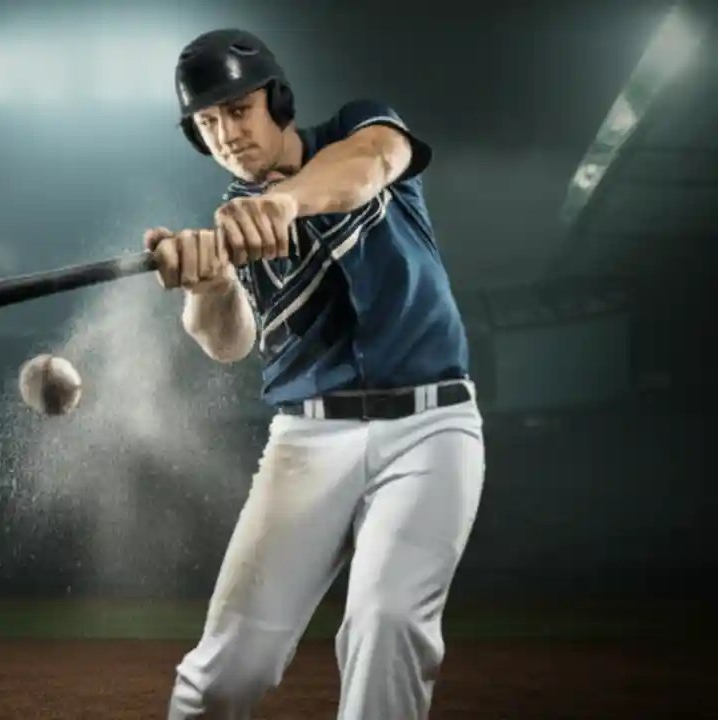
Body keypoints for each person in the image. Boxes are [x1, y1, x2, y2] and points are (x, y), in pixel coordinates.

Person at [144, 28, 486, 719]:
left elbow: (369, 165)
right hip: (308, 440)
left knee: (386, 625)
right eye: (207, 122)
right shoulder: (231, 229)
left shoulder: (357, 128)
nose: (226, 133)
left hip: (431, 427)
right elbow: (227, 343)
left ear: (278, 100)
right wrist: (208, 286)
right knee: (226, 670)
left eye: (238, 110)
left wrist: (281, 203)